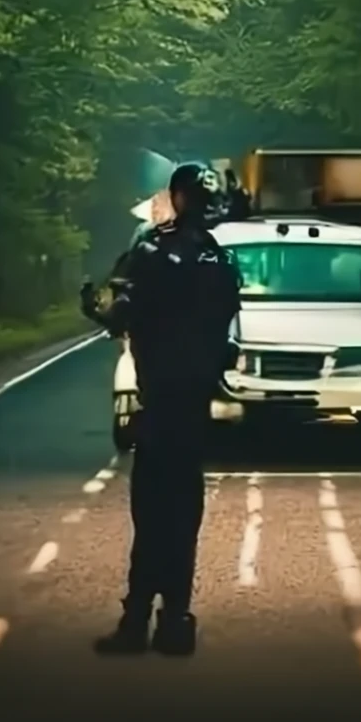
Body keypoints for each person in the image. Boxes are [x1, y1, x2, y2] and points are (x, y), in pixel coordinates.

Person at [80, 162, 242, 657]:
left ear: (176, 197)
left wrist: (95, 308)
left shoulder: (149, 250)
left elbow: (118, 312)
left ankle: (135, 622)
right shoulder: (219, 259)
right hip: (194, 405)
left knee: (150, 515)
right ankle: (177, 620)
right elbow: (229, 335)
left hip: (159, 401)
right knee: (184, 514)